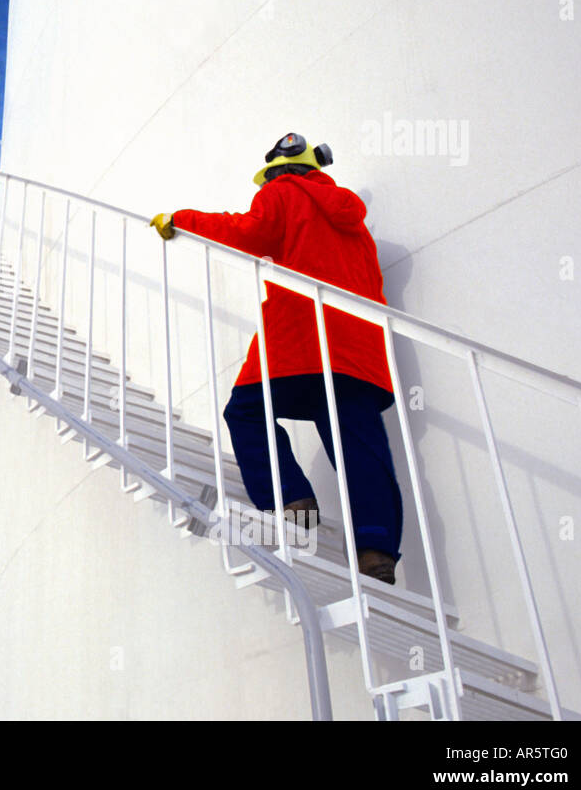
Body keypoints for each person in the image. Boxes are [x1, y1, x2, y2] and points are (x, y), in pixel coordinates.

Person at [149, 133, 403, 584]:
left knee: (245, 410)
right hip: (359, 349)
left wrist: (179, 220)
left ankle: (292, 501)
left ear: (276, 172)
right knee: (359, 446)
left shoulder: (282, 193)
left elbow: (248, 232)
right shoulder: (353, 222)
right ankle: (375, 550)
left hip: (300, 338)